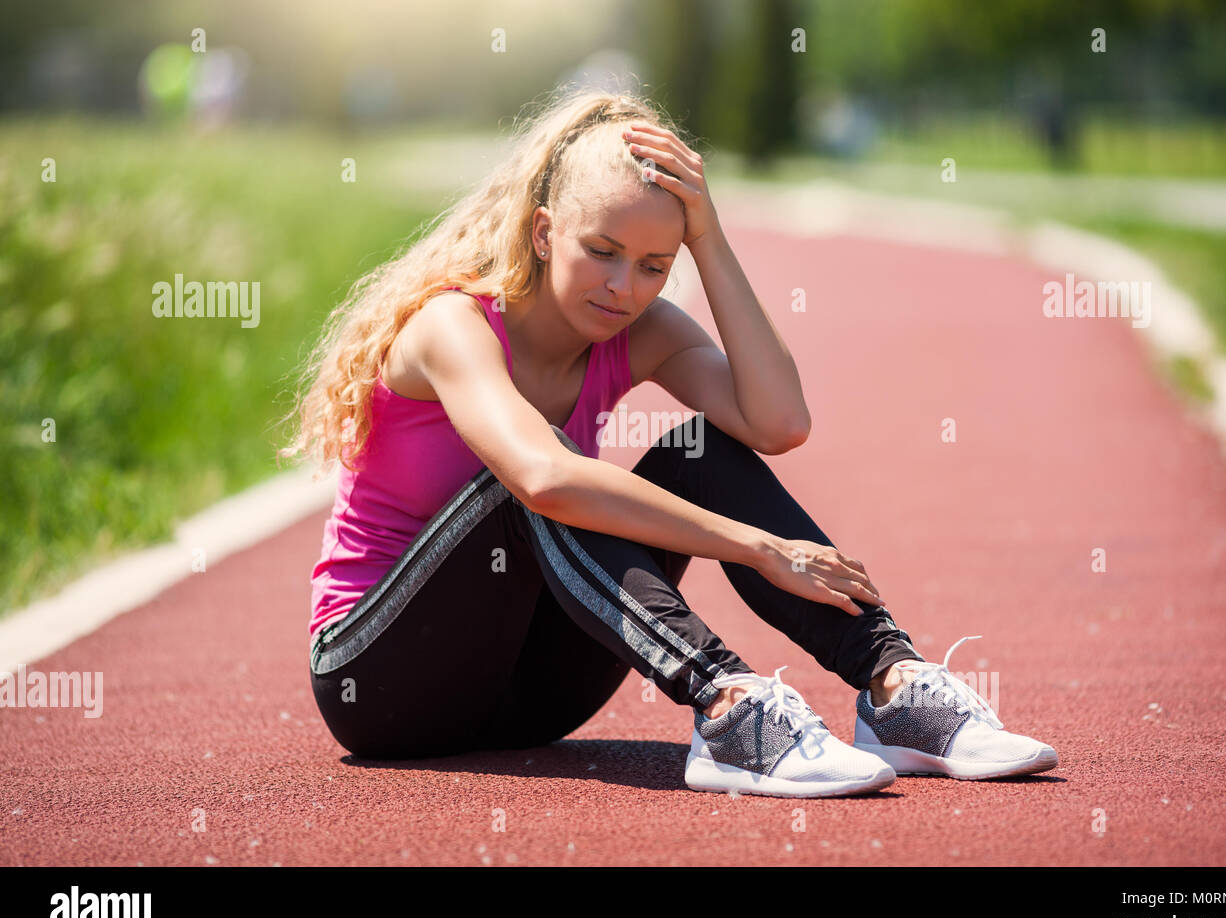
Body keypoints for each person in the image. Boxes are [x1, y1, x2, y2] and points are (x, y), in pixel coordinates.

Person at [279, 87, 1057, 798]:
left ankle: (893, 685)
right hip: (379, 681)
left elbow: (779, 422)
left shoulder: (637, 334)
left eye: (655, 265)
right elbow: (544, 479)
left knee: (698, 450)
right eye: (603, 251)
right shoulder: (454, 326)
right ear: (545, 233)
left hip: (535, 696)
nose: (624, 287)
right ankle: (729, 706)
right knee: (538, 473)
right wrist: (757, 546)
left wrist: (710, 238)